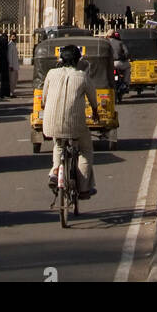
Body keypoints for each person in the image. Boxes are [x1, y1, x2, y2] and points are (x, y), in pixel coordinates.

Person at [41, 44, 100, 198]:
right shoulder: (82, 76)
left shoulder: (51, 73)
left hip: (50, 123)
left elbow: (44, 98)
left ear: (61, 59)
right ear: (78, 60)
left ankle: (55, 170)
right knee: (85, 150)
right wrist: (95, 111)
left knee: (58, 144)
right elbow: (93, 99)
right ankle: (84, 187)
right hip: (75, 125)